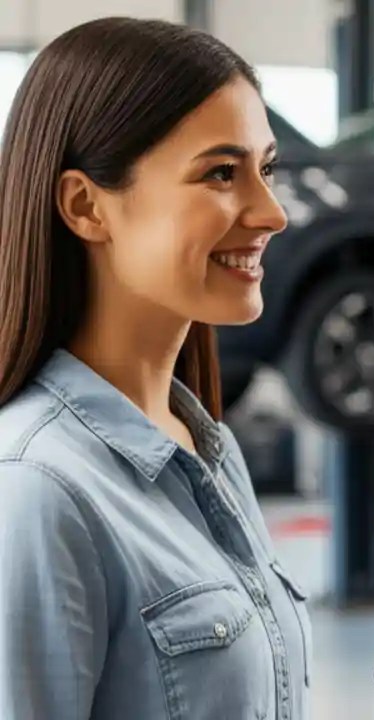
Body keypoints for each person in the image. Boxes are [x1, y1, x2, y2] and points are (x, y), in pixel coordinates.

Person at [0, 17, 309, 720]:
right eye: (222, 173)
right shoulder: (38, 491)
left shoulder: (205, 447)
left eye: (266, 169)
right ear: (86, 206)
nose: (272, 213)